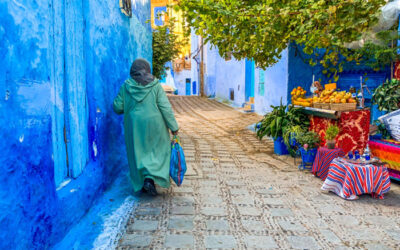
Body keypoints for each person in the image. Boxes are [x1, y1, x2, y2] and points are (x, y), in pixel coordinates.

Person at [113, 59, 179, 196]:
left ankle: (144, 180)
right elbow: (165, 107)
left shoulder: (126, 86)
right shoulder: (155, 85)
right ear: (147, 69)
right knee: (157, 151)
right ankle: (151, 178)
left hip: (135, 126)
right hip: (156, 124)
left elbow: (118, 107)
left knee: (139, 153)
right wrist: (174, 126)